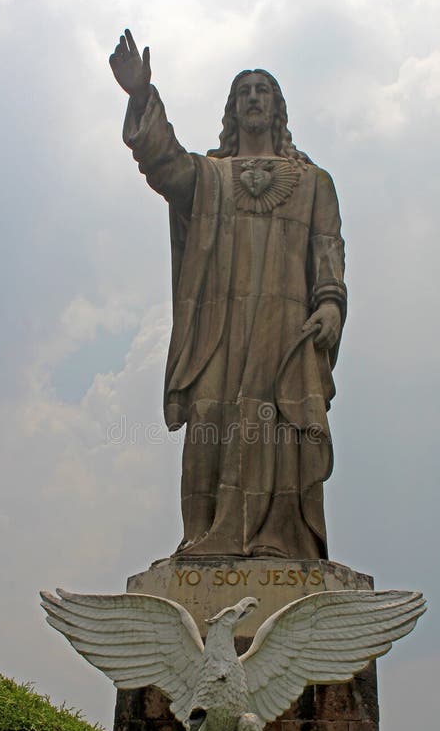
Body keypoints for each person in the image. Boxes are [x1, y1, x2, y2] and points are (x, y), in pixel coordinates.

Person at [110, 30, 346, 560]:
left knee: (277, 422)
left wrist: (329, 303)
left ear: (278, 109)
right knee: (210, 426)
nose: (255, 98)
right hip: (217, 332)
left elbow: (327, 253)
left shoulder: (313, 182)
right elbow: (164, 166)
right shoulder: (210, 177)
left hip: (284, 334)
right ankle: (205, 537)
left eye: (264, 91)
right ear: (233, 111)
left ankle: (279, 540)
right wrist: (140, 96)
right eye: (245, 93)